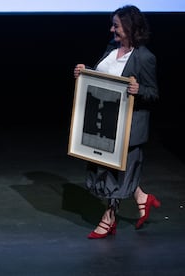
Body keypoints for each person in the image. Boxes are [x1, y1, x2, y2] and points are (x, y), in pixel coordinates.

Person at [73, 5, 160, 239]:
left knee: (117, 173)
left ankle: (108, 219)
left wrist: (139, 89)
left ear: (130, 28)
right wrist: (86, 72)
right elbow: (105, 78)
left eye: (117, 26)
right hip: (106, 122)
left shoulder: (144, 57)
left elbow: (153, 92)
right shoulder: (112, 48)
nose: (112, 29)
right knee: (113, 169)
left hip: (128, 125)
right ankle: (142, 198)